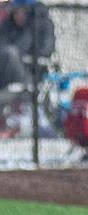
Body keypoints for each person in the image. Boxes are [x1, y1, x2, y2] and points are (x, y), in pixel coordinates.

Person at [0, 0, 53, 136]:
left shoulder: (41, 25)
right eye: (16, 12)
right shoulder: (8, 26)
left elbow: (46, 51)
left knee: (10, 53)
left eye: (22, 11)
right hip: (6, 73)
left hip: (32, 74)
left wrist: (21, 54)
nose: (19, 15)